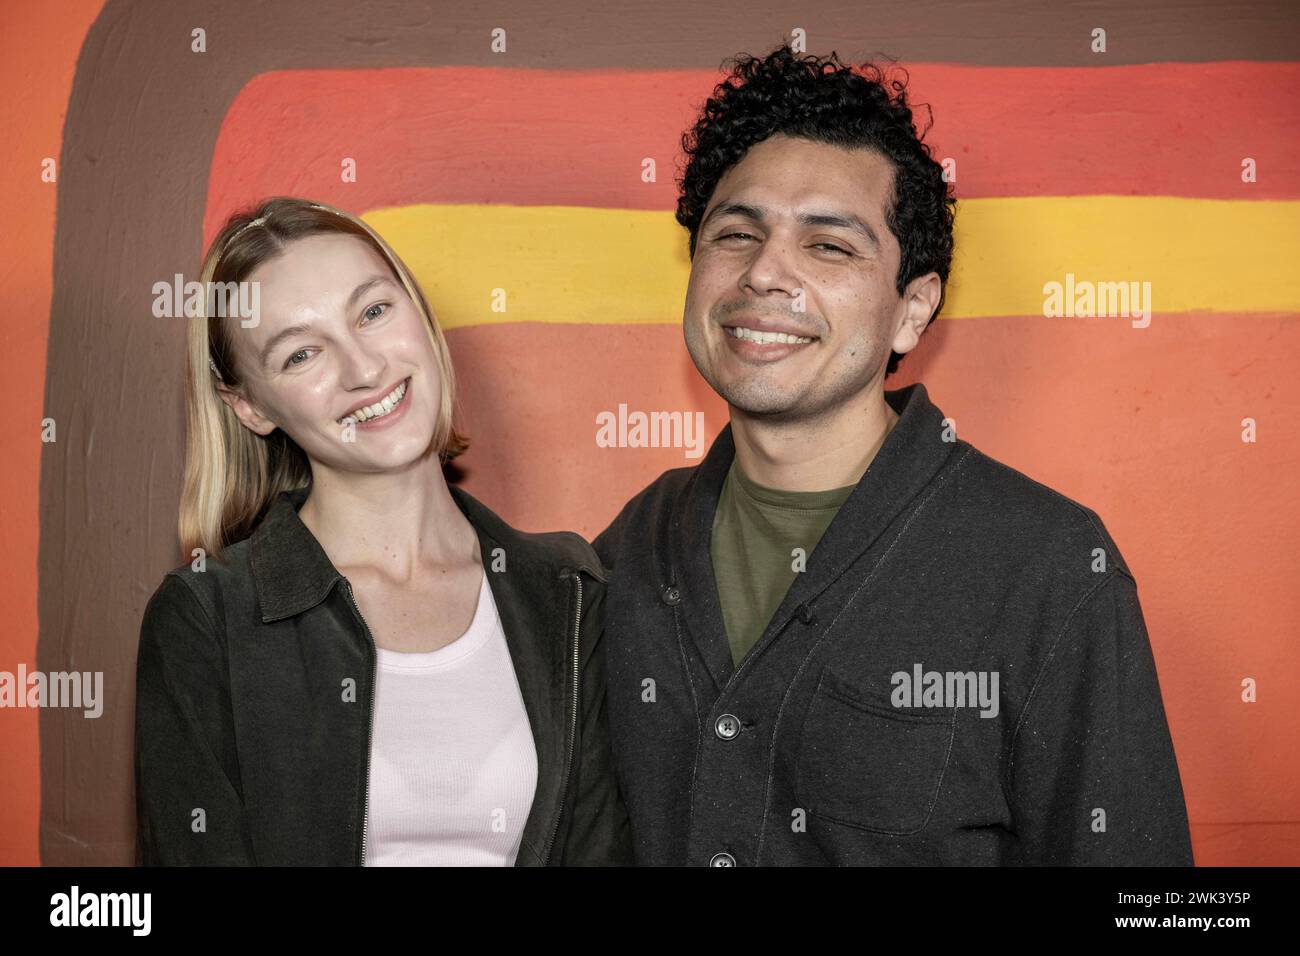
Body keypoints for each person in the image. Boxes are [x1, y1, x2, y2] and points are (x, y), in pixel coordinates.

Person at [593, 46, 1194, 866]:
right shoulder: (625, 552)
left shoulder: (1049, 569)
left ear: (913, 311)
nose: (766, 273)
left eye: (830, 247)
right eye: (736, 233)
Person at [135, 197, 630, 866]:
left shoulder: (566, 591)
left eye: (373, 312)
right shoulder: (206, 617)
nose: (364, 370)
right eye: (302, 353)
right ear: (250, 406)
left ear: (419, 316)